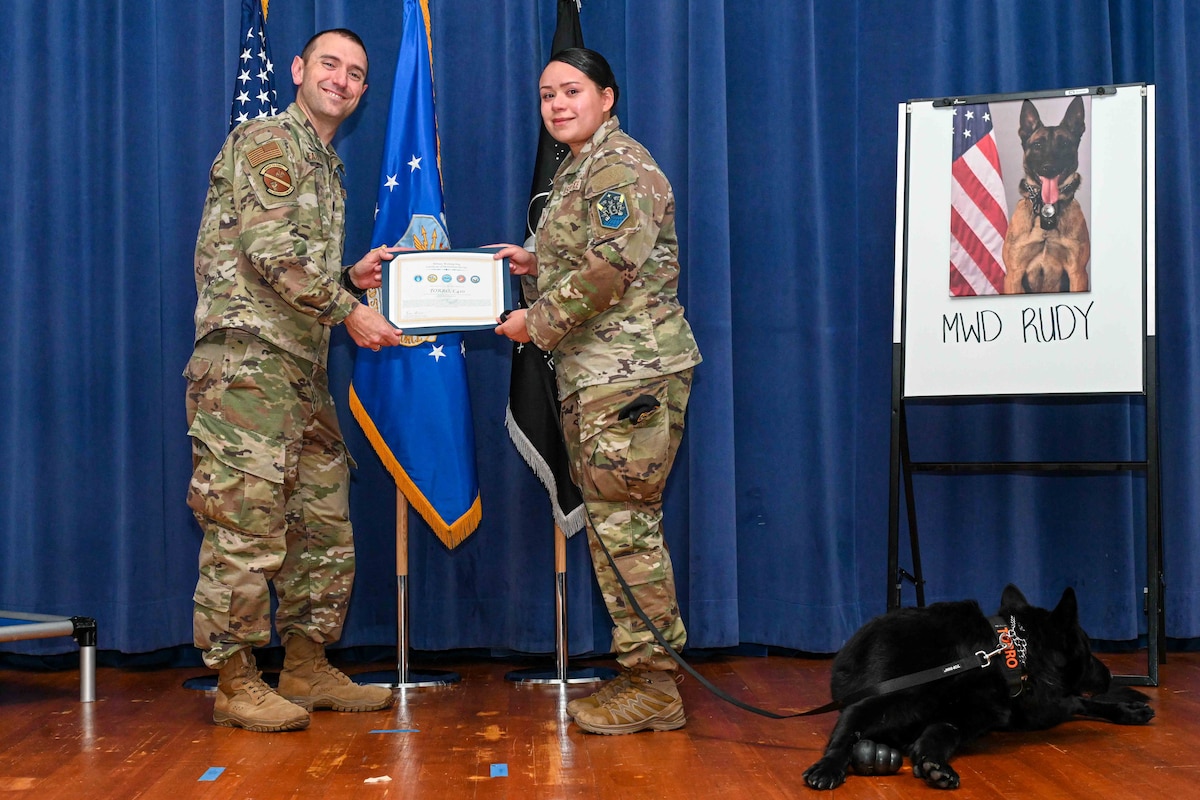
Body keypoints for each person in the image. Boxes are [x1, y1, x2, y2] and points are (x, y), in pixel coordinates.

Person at [185, 28, 403, 732]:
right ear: (299, 70)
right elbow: (269, 248)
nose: (341, 80)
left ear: (364, 91)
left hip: (297, 369)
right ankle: (234, 679)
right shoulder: (270, 142)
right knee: (244, 523)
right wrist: (350, 311)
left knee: (321, 520)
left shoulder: (326, 164)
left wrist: (346, 280)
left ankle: (306, 665)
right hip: (247, 364)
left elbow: (278, 270)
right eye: (330, 65)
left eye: (355, 73)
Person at [494, 47, 702, 735]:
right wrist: (536, 262)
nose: (557, 104)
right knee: (619, 526)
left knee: (626, 528)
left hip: (628, 374)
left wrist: (536, 321)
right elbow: (592, 258)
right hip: (605, 374)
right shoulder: (582, 169)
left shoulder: (618, 165)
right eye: (547, 93)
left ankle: (654, 684)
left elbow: (612, 267)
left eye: (572, 91)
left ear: (607, 98)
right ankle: (645, 675)